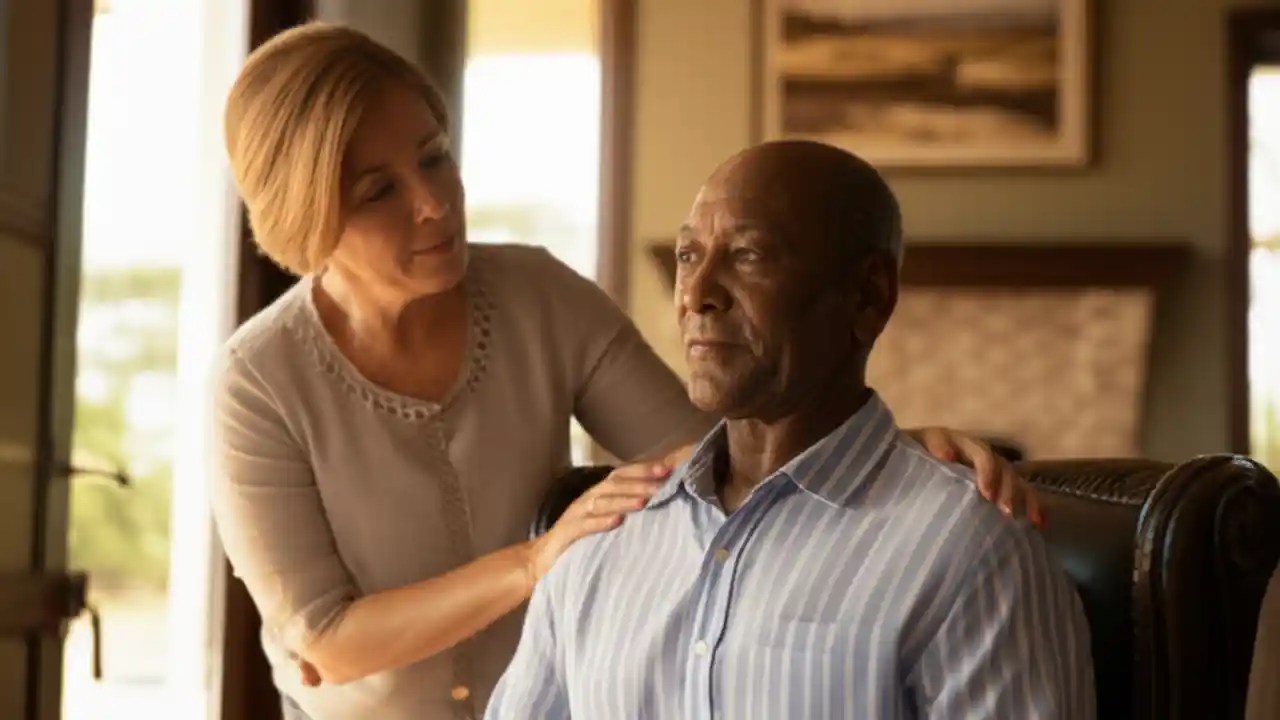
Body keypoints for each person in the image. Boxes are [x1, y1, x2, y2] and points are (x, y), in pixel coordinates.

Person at [213, 22, 1043, 720]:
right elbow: (324, 637)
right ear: (305, 211)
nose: (433, 202)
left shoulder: (538, 293)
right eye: (377, 191)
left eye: (433, 158)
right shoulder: (257, 380)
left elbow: (713, 457)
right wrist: (536, 564)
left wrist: (889, 450)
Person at [486, 141, 1095, 720]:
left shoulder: (971, 551)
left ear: (867, 296)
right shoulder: (600, 542)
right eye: (688, 256)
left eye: (748, 255)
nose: (696, 295)